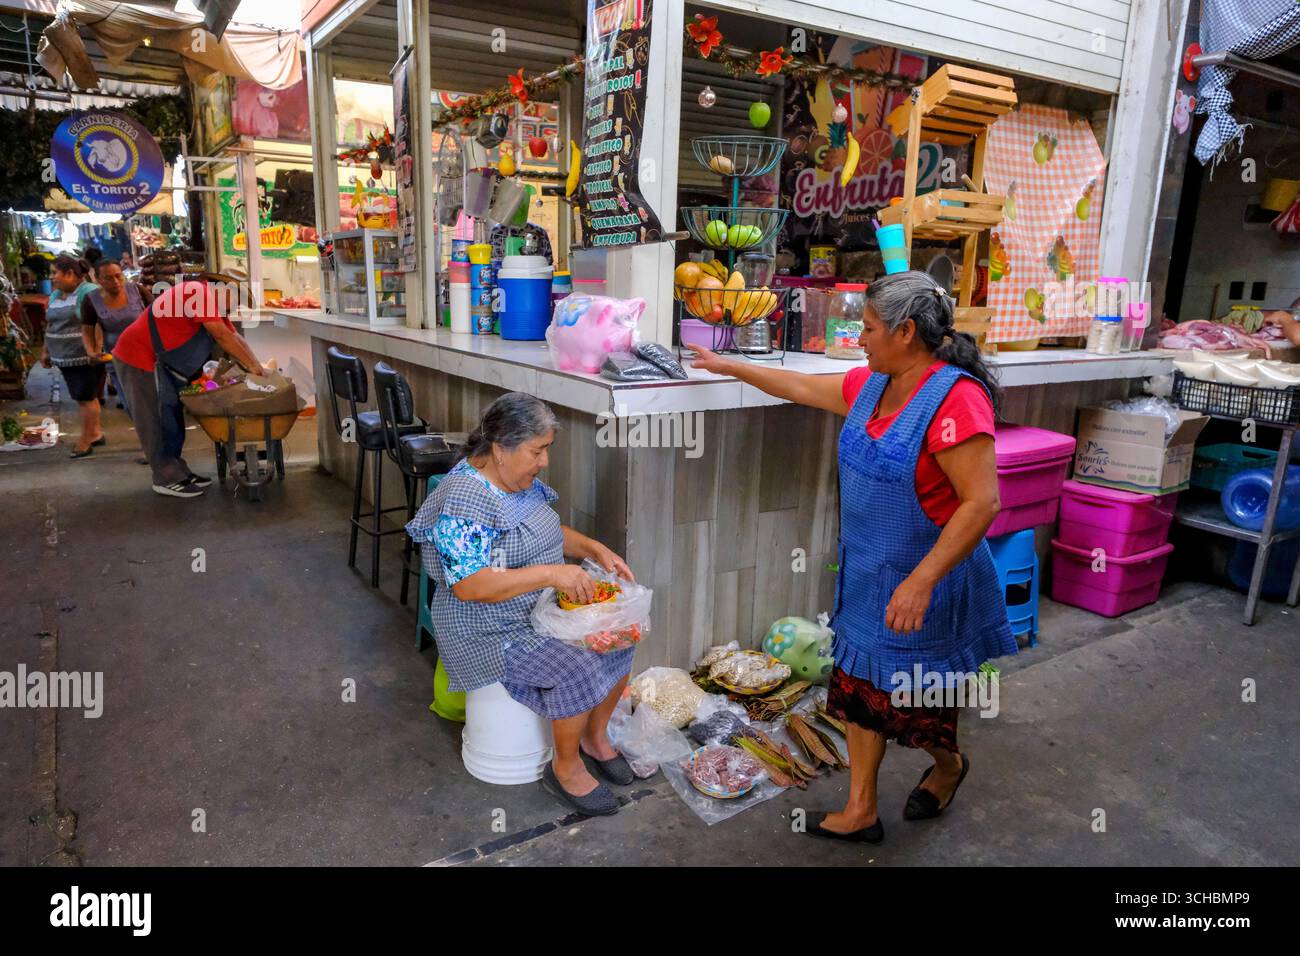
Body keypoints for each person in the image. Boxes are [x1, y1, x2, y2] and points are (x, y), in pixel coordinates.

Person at [690, 270, 1018, 845]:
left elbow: (980, 503)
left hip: (930, 579)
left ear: (906, 332)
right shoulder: (869, 384)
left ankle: (948, 766)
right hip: (867, 575)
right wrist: (731, 366)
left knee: (917, 703)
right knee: (857, 693)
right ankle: (862, 807)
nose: (858, 336)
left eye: (867, 327)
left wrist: (921, 581)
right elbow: (796, 388)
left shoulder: (956, 400)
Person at [407, 393, 637, 816]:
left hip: (532, 610)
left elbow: (545, 530)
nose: (544, 461)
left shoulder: (515, 484)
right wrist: (553, 574)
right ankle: (564, 769)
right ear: (499, 449)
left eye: (546, 449)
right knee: (577, 665)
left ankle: (594, 738)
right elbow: (470, 585)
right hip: (485, 629)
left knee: (621, 636)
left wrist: (594, 548)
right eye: (538, 450)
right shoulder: (464, 499)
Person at [112, 278, 262, 498]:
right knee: (155, 418)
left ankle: (177, 470)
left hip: (159, 361)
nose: (233, 308)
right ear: (224, 290)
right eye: (236, 301)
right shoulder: (197, 292)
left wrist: (257, 367)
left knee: (171, 417)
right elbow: (220, 335)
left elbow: (234, 336)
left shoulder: (210, 302)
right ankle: (165, 477)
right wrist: (251, 366)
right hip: (140, 357)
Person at [40, 255, 106, 458]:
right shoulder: (56, 294)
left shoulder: (89, 292)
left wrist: (95, 350)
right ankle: (95, 433)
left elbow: (98, 323)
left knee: (87, 398)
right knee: (83, 397)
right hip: (64, 356)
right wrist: (46, 350)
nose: (52, 278)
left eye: (54, 273)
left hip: (84, 356)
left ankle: (85, 441)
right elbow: (51, 324)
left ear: (70, 273)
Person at [81, 258, 152, 416]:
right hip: (117, 361)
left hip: (147, 358)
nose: (115, 281)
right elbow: (87, 329)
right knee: (131, 407)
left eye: (118, 276)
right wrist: (91, 351)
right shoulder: (91, 300)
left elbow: (156, 317)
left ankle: (155, 438)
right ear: (98, 280)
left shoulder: (138, 291)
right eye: (108, 278)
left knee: (152, 404)